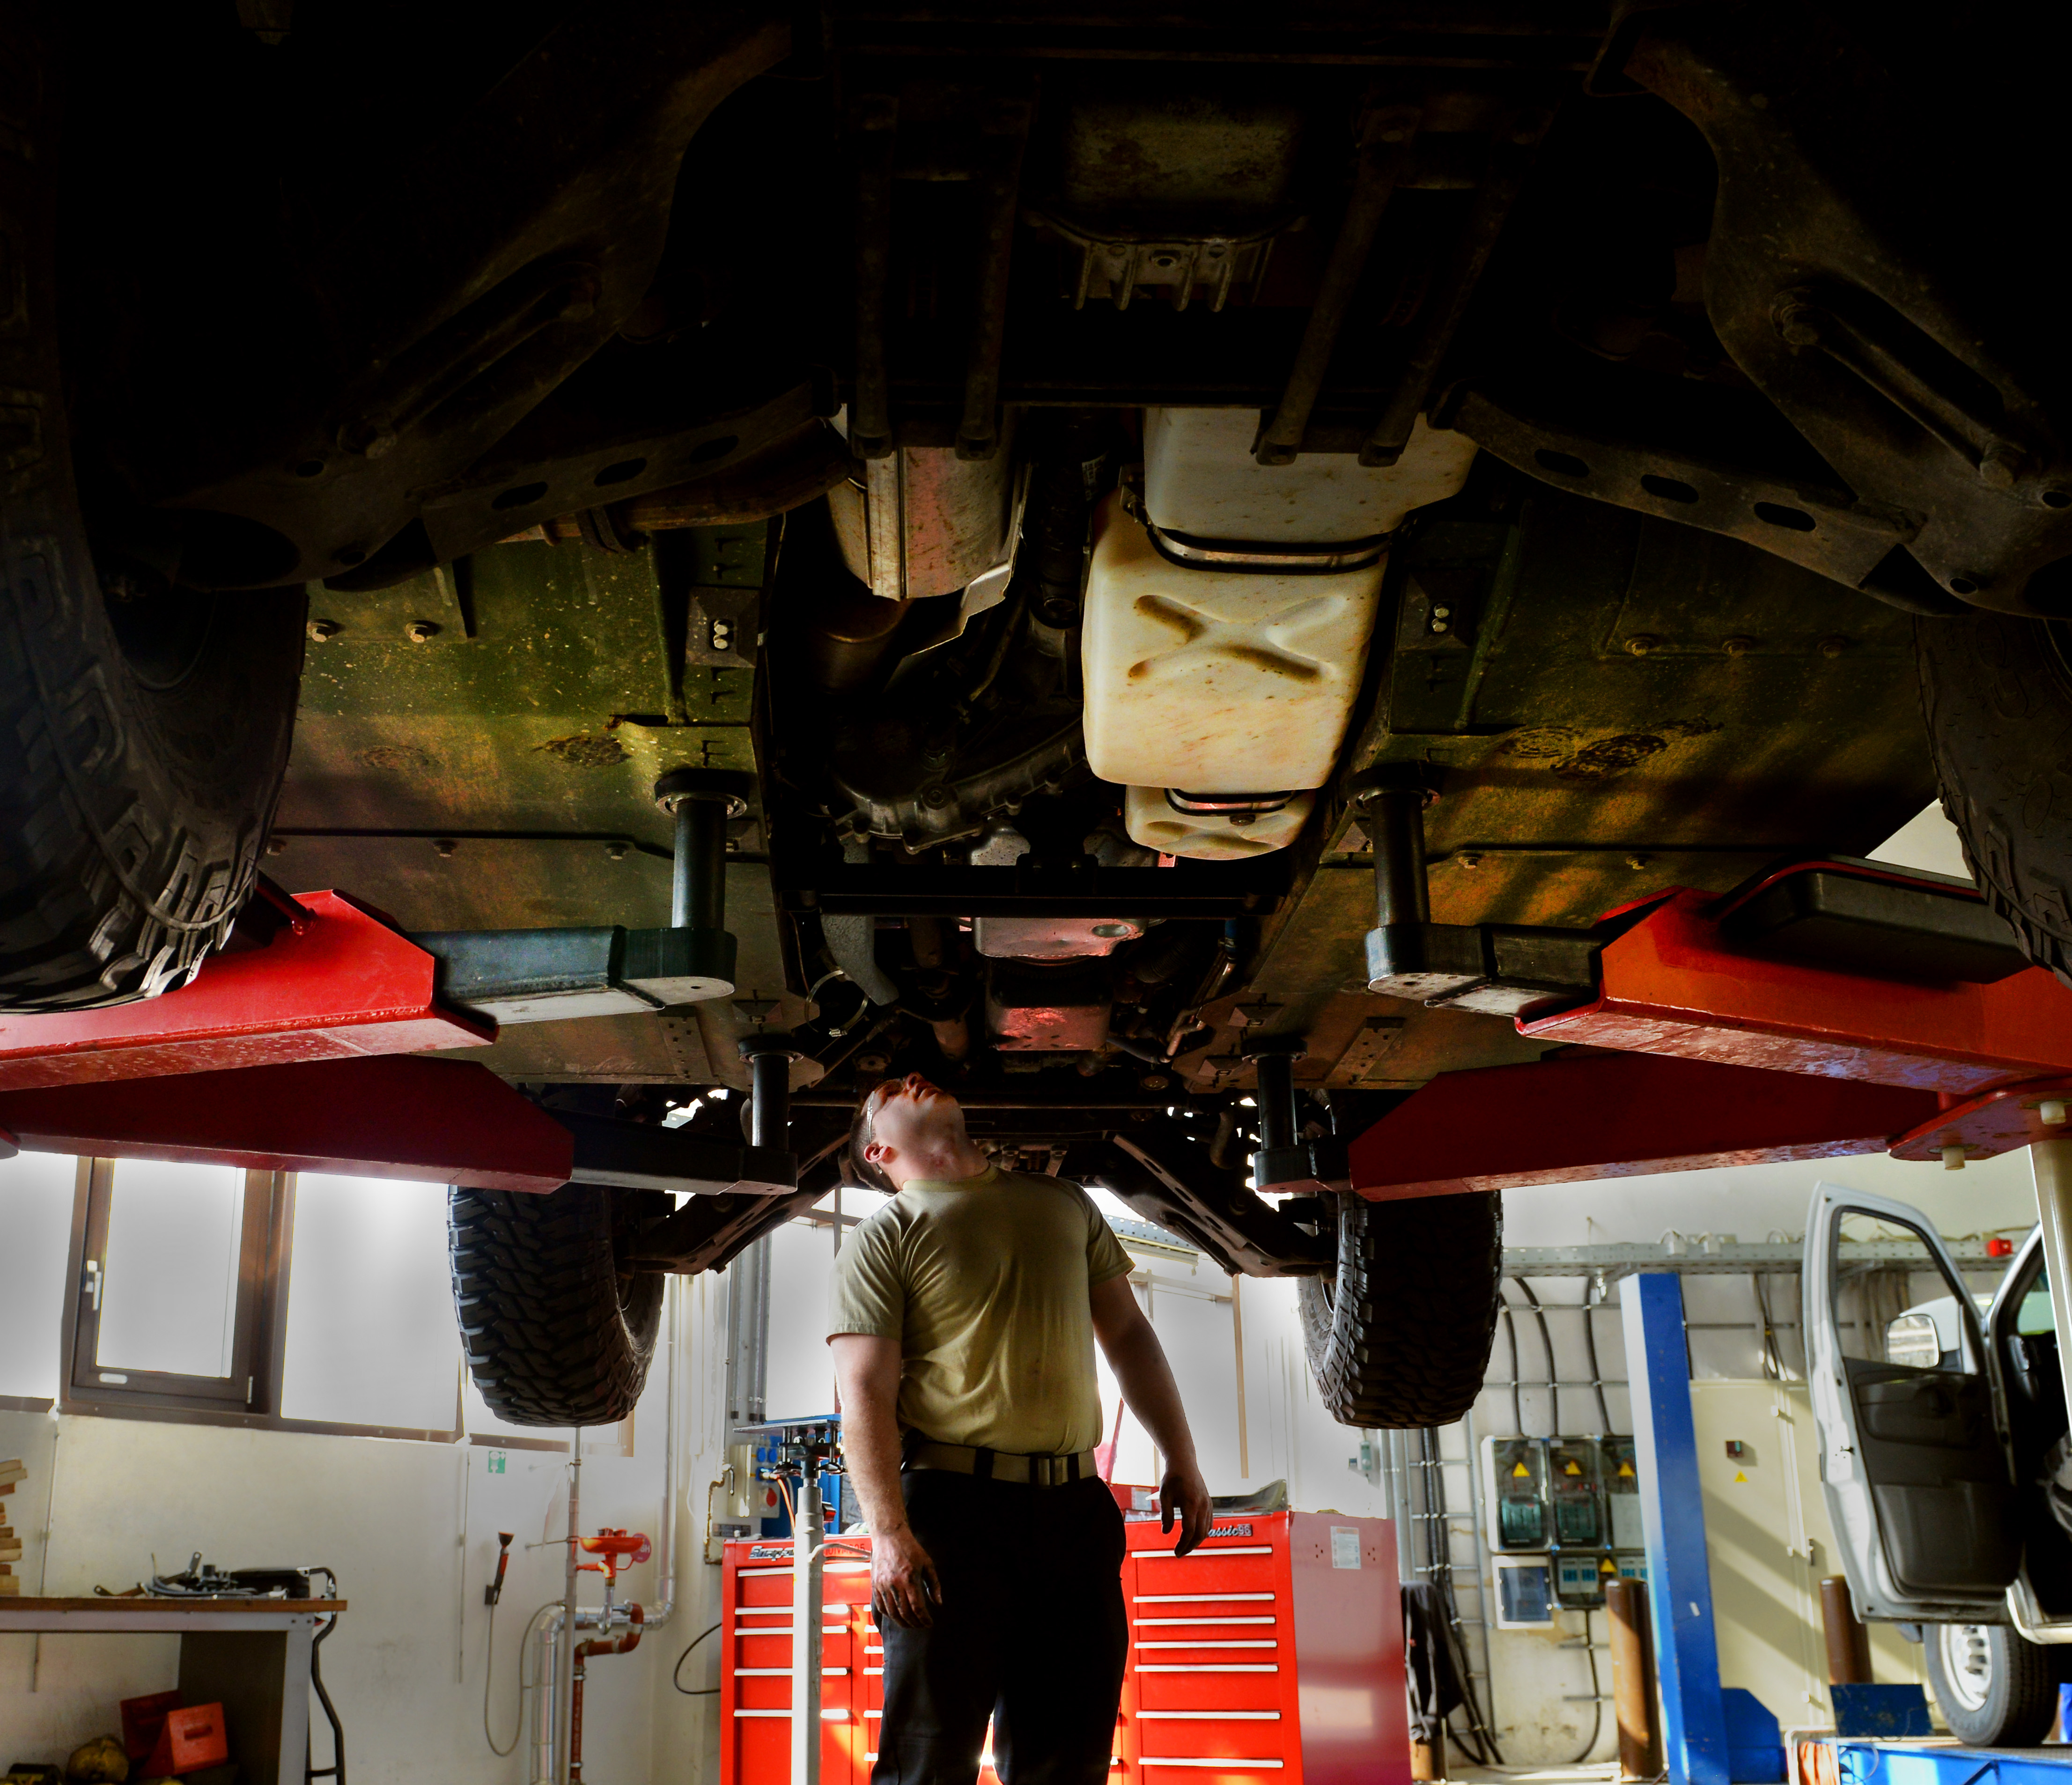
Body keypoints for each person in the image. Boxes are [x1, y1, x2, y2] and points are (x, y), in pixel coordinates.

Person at [827, 1072, 1214, 1785]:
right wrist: (886, 1533)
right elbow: (865, 1391)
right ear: (877, 1151)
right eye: (887, 1094)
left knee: (1068, 1761)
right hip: (951, 1515)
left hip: (1074, 1510)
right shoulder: (885, 1235)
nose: (911, 1079)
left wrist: (1181, 1459)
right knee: (929, 1760)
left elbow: (1129, 1336)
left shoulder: (1063, 1204)